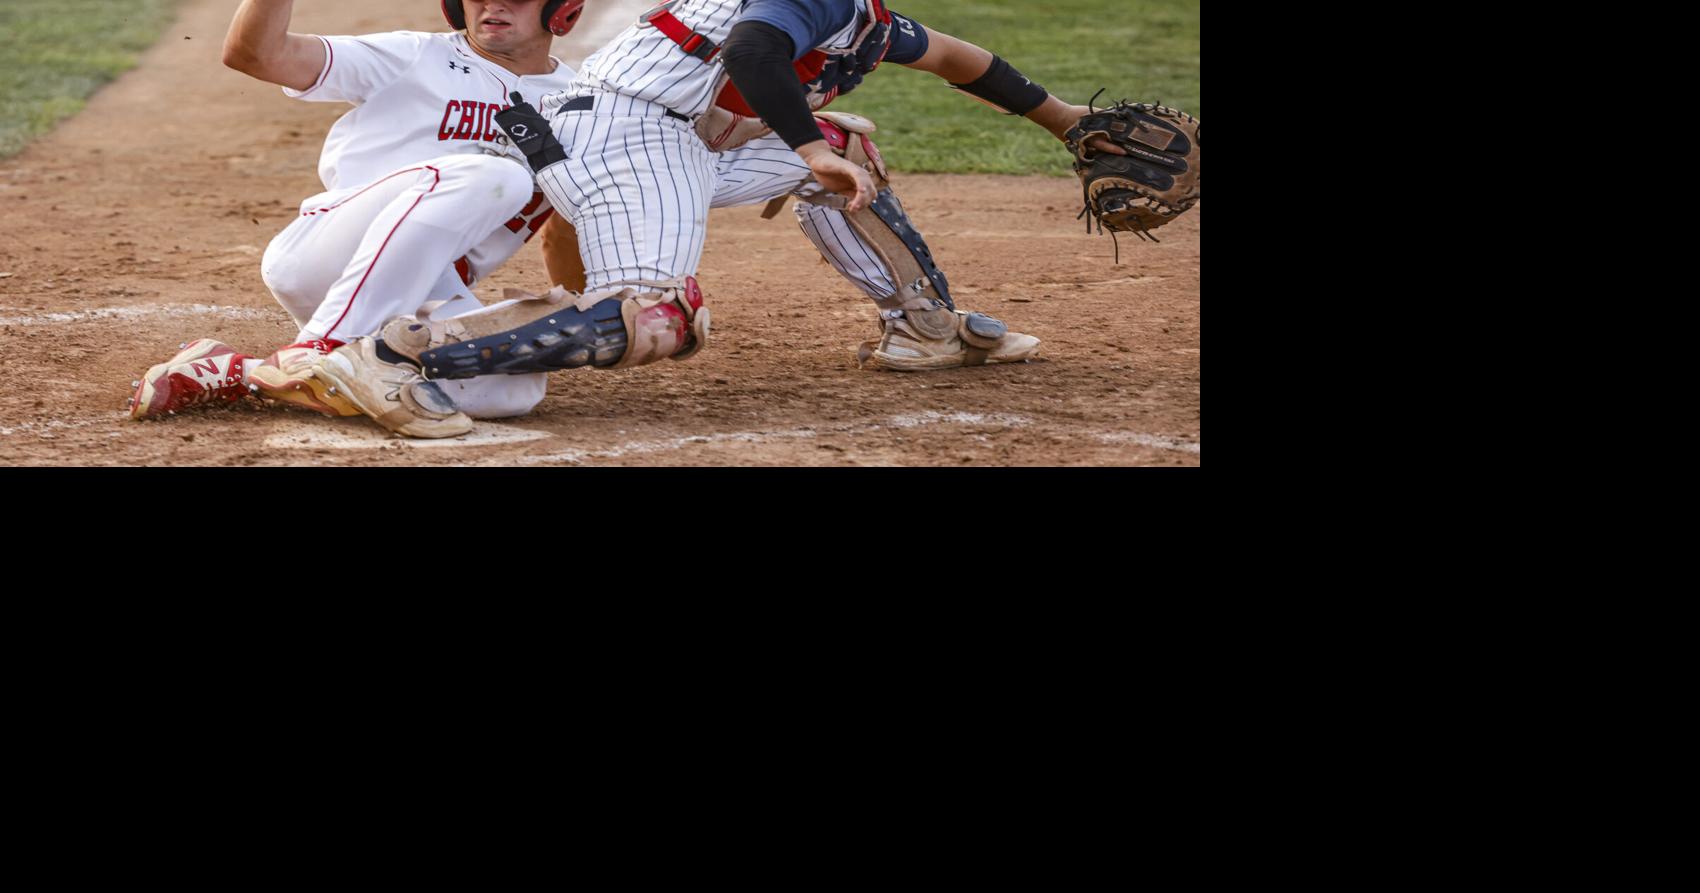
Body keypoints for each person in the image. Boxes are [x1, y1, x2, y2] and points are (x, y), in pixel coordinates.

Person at [315, 0, 1133, 437]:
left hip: (638, 132)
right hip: (629, 131)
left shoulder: (863, 14)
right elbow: (751, 53)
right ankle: (396, 354)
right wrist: (810, 149)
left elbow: (960, 60)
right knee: (660, 315)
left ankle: (922, 327)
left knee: (853, 153)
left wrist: (1065, 121)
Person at [127, 0, 585, 437]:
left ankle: (234, 371)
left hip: (421, 293)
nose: (492, 6)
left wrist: (587, 311)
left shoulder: (578, 108)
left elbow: (567, 228)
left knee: (513, 390)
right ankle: (320, 351)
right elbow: (257, 55)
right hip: (328, 251)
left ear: (561, 8)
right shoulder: (414, 55)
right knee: (495, 175)